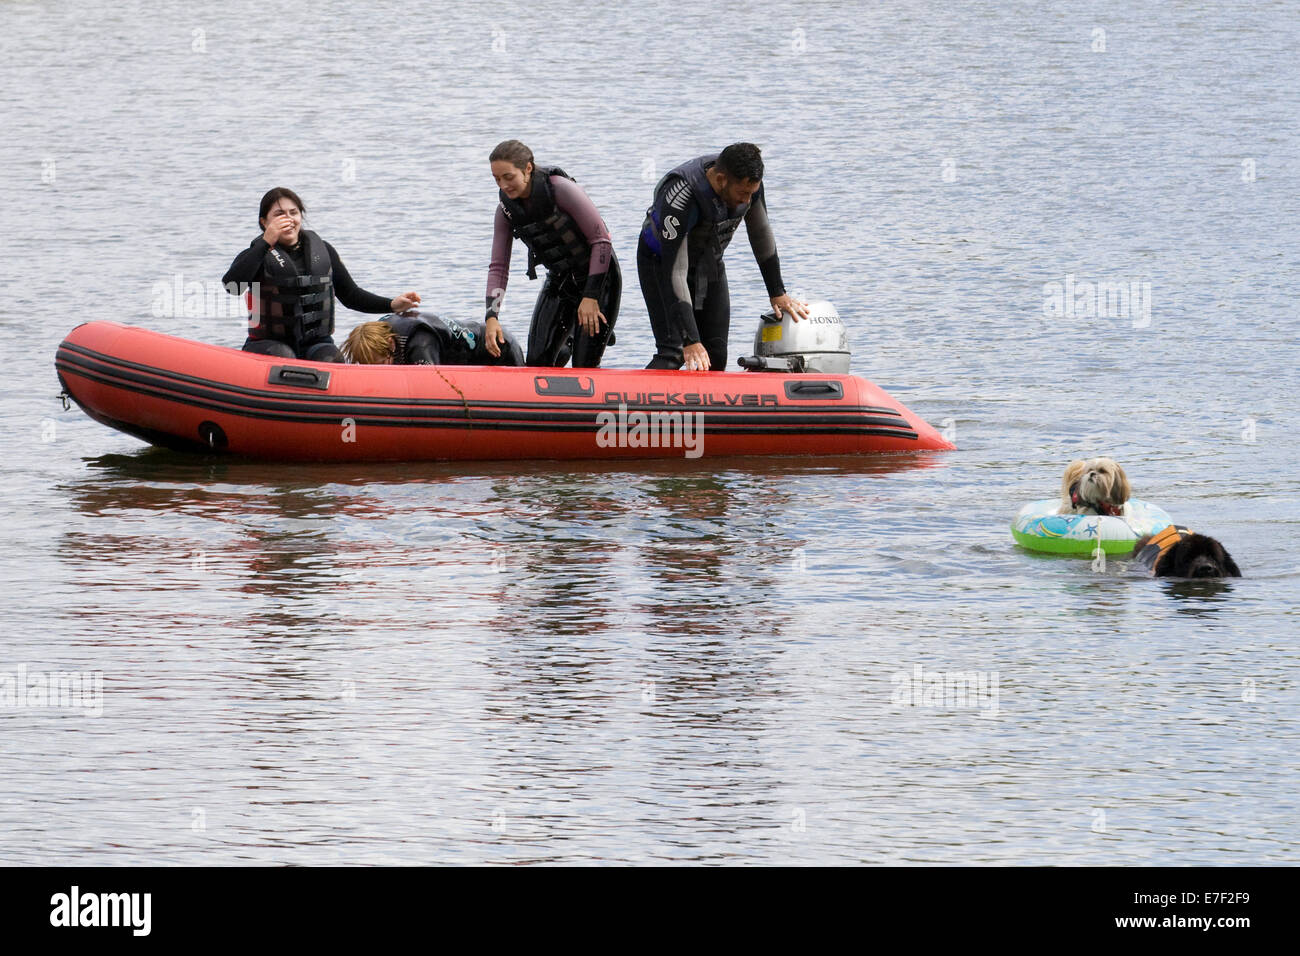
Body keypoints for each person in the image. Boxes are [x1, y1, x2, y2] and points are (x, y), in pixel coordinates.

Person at [638, 143, 809, 371]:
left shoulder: (749, 185)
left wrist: (777, 292)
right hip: (662, 265)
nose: (747, 200)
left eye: (751, 193)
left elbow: (760, 234)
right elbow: (676, 272)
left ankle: (702, 406)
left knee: (715, 353)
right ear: (721, 180)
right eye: (742, 194)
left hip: (708, 263)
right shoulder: (681, 195)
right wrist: (690, 340)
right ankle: (633, 404)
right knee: (676, 351)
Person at [223, 187, 422, 362]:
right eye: (279, 214)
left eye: (294, 212)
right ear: (264, 222)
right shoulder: (255, 255)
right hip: (268, 344)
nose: (288, 219)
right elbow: (233, 286)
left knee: (331, 357)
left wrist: (391, 304)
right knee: (284, 356)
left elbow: (351, 295)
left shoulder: (323, 251)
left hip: (315, 344)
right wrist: (264, 243)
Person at [484, 140, 620, 367]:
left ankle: (584, 337)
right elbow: (499, 267)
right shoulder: (505, 211)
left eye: (508, 177)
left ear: (528, 168)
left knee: (584, 365)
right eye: (497, 179)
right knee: (537, 363)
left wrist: (590, 296)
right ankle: (569, 340)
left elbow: (602, 241)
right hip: (560, 281)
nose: (503, 185)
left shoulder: (560, 189)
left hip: (599, 281)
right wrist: (491, 316)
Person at [341, 311, 524, 366]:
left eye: (381, 364)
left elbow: (431, 389)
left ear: (391, 344)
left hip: (499, 348)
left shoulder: (421, 343)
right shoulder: (387, 330)